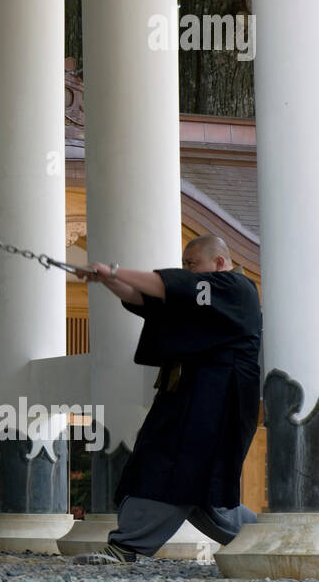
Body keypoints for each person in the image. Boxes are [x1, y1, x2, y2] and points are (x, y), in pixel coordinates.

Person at [77, 234, 262, 564]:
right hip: (189, 396)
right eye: (185, 266)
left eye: (192, 265)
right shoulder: (199, 297)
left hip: (218, 399)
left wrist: (113, 270)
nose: (188, 272)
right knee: (201, 487)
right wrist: (107, 279)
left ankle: (127, 546)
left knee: (178, 468)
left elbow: (173, 286)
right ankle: (264, 541)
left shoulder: (236, 288)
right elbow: (146, 298)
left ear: (219, 263)